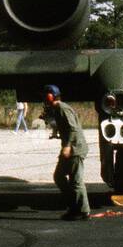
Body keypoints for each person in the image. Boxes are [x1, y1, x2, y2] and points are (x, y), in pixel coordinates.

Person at [42, 84, 90, 220]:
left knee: (76, 180)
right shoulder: (57, 109)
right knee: (59, 176)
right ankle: (74, 206)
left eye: (46, 95)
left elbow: (73, 128)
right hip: (69, 149)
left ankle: (83, 211)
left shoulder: (62, 108)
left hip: (75, 148)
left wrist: (68, 146)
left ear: (50, 96)